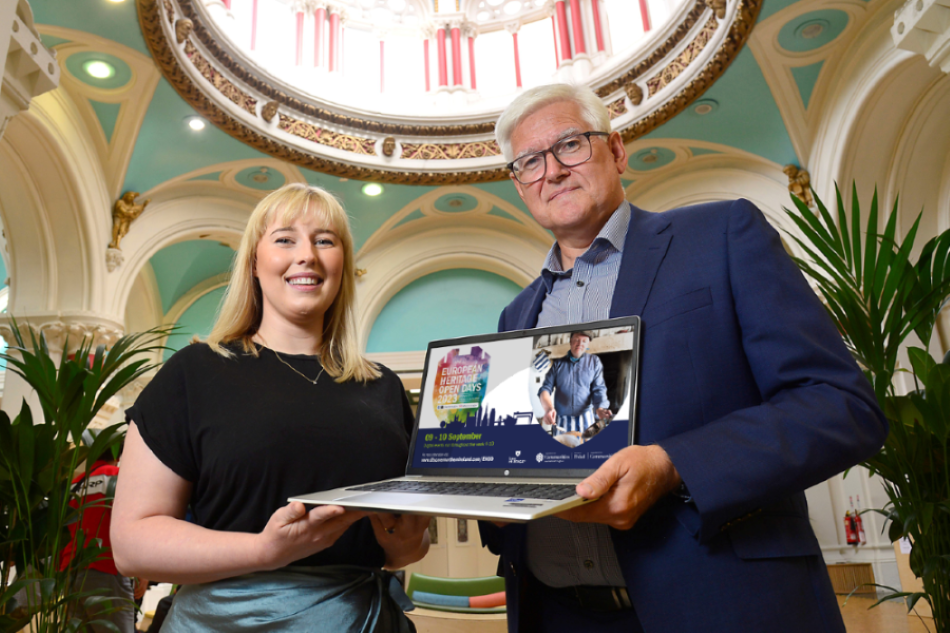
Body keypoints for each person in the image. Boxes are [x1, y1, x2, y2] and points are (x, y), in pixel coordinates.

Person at [478, 83, 888, 632]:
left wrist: (674, 465)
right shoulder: (515, 315)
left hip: (720, 606)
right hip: (556, 615)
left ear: (617, 151)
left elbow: (840, 406)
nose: (551, 170)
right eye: (528, 162)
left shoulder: (722, 235)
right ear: (519, 183)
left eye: (570, 144)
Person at [111, 183, 430, 632]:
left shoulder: (384, 387)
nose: (308, 255)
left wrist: (403, 544)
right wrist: (265, 550)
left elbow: (405, 547)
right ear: (254, 263)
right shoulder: (192, 372)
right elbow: (132, 544)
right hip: (223, 622)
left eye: (325, 240)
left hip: (363, 620)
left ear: (343, 264)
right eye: (285, 239)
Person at [58, 448, 147, 633]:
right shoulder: (117, 477)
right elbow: (133, 526)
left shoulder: (76, 483)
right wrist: (143, 571)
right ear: (117, 455)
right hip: (105, 568)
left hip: (71, 571)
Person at [537, 331, 610, 446]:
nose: (580, 343)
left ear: (588, 344)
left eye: (584, 341)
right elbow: (545, 389)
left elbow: (599, 389)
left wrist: (600, 409)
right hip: (562, 421)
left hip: (586, 420)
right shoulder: (558, 364)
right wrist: (548, 409)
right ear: (570, 341)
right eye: (576, 339)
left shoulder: (594, 362)